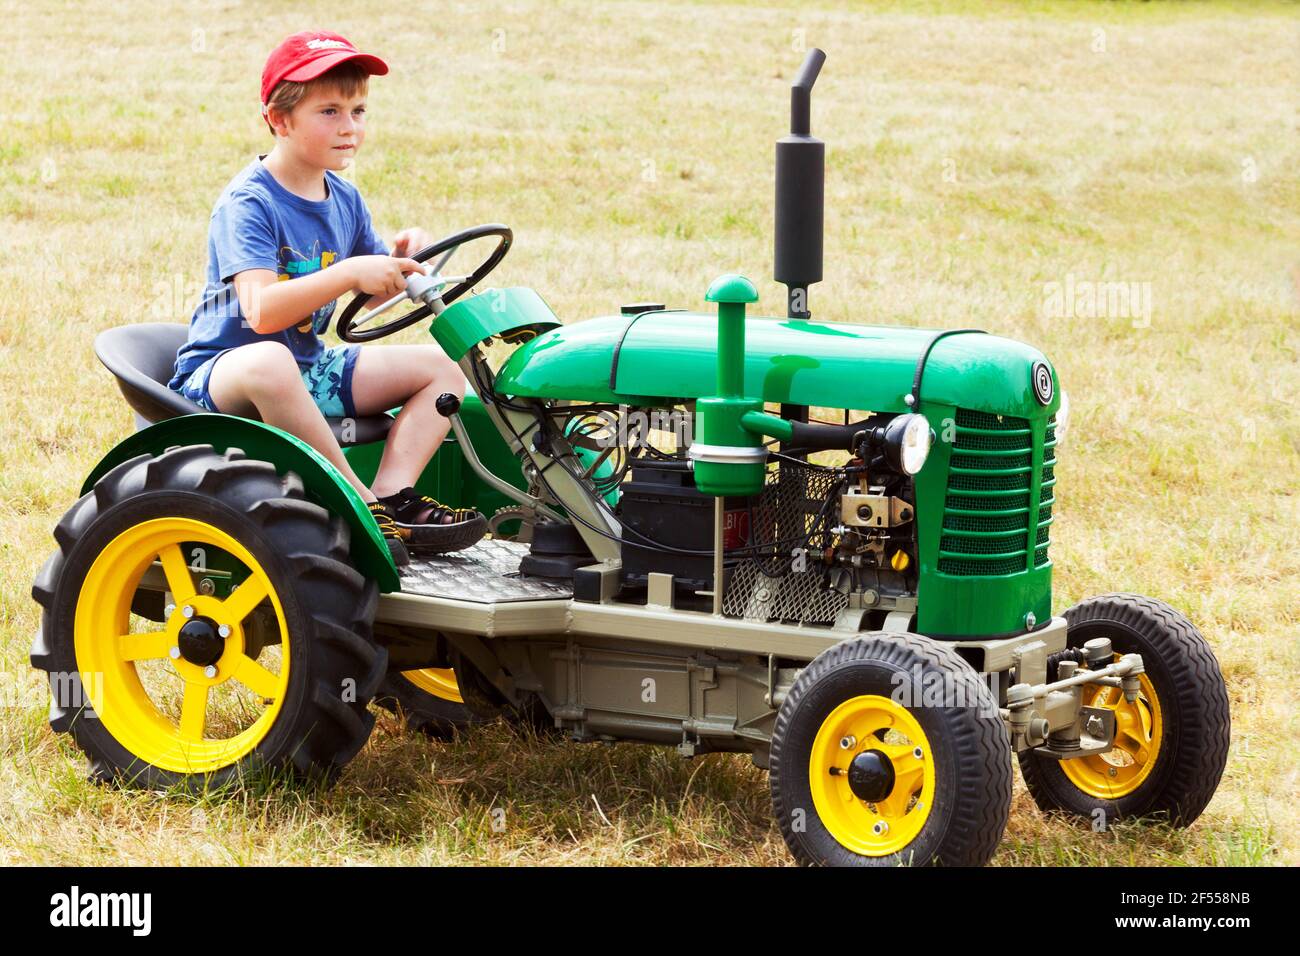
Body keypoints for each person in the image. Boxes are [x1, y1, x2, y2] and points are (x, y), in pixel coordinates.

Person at [169, 30, 487, 566]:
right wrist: (348, 273)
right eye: (330, 112)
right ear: (279, 119)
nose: (350, 127)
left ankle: (392, 495)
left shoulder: (342, 197)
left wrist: (402, 259)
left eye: (359, 111)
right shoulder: (248, 203)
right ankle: (358, 504)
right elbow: (261, 310)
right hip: (225, 375)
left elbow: (368, 278)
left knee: (442, 365)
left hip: (309, 368)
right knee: (271, 360)